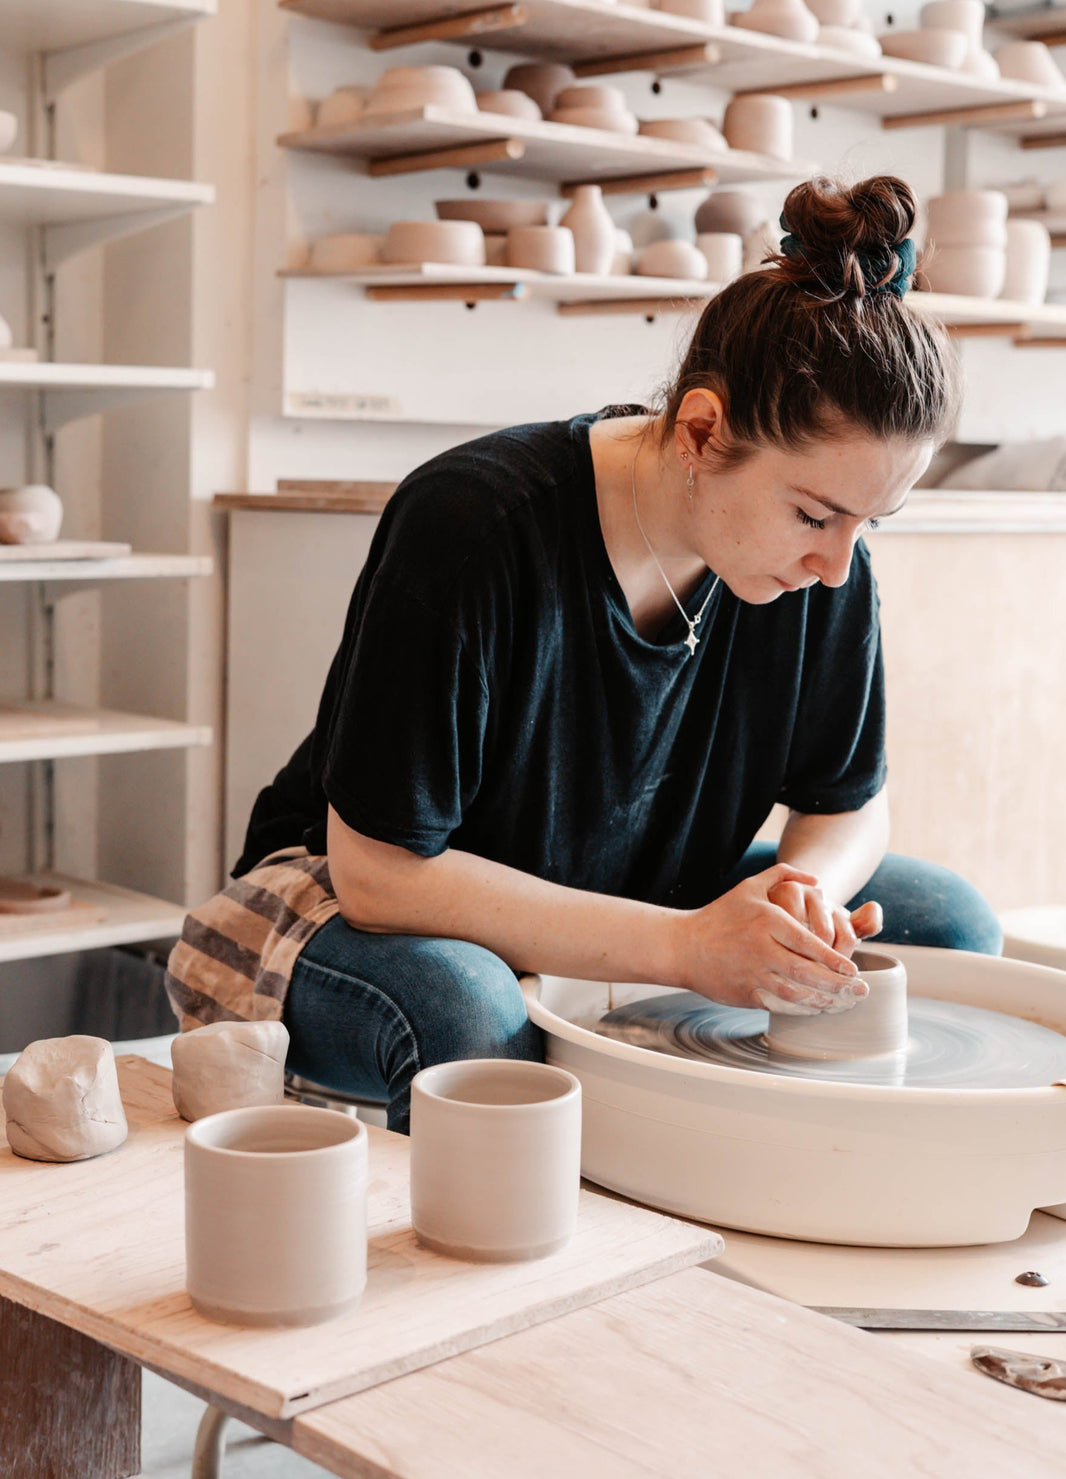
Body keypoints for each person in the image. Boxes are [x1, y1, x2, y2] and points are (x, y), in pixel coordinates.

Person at [166, 173, 1002, 1133]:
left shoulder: (824, 566)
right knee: (475, 1018)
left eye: (870, 522)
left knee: (951, 928)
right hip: (361, 903)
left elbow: (849, 803)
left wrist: (797, 903)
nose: (836, 562)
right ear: (700, 430)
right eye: (814, 512)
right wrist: (687, 950)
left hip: (637, 882)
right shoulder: (473, 525)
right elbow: (383, 873)